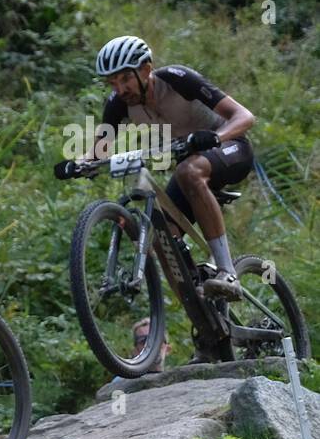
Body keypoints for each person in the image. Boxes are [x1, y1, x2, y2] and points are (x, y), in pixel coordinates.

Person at [82, 35, 256, 301]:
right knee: (160, 235)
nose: (120, 89)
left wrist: (217, 137)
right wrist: (81, 163)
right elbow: (98, 150)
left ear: (146, 70)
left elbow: (244, 116)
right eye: (113, 82)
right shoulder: (118, 103)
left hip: (231, 149)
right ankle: (200, 308)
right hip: (190, 165)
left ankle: (227, 272)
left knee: (188, 171)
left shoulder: (177, 79)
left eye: (125, 79)